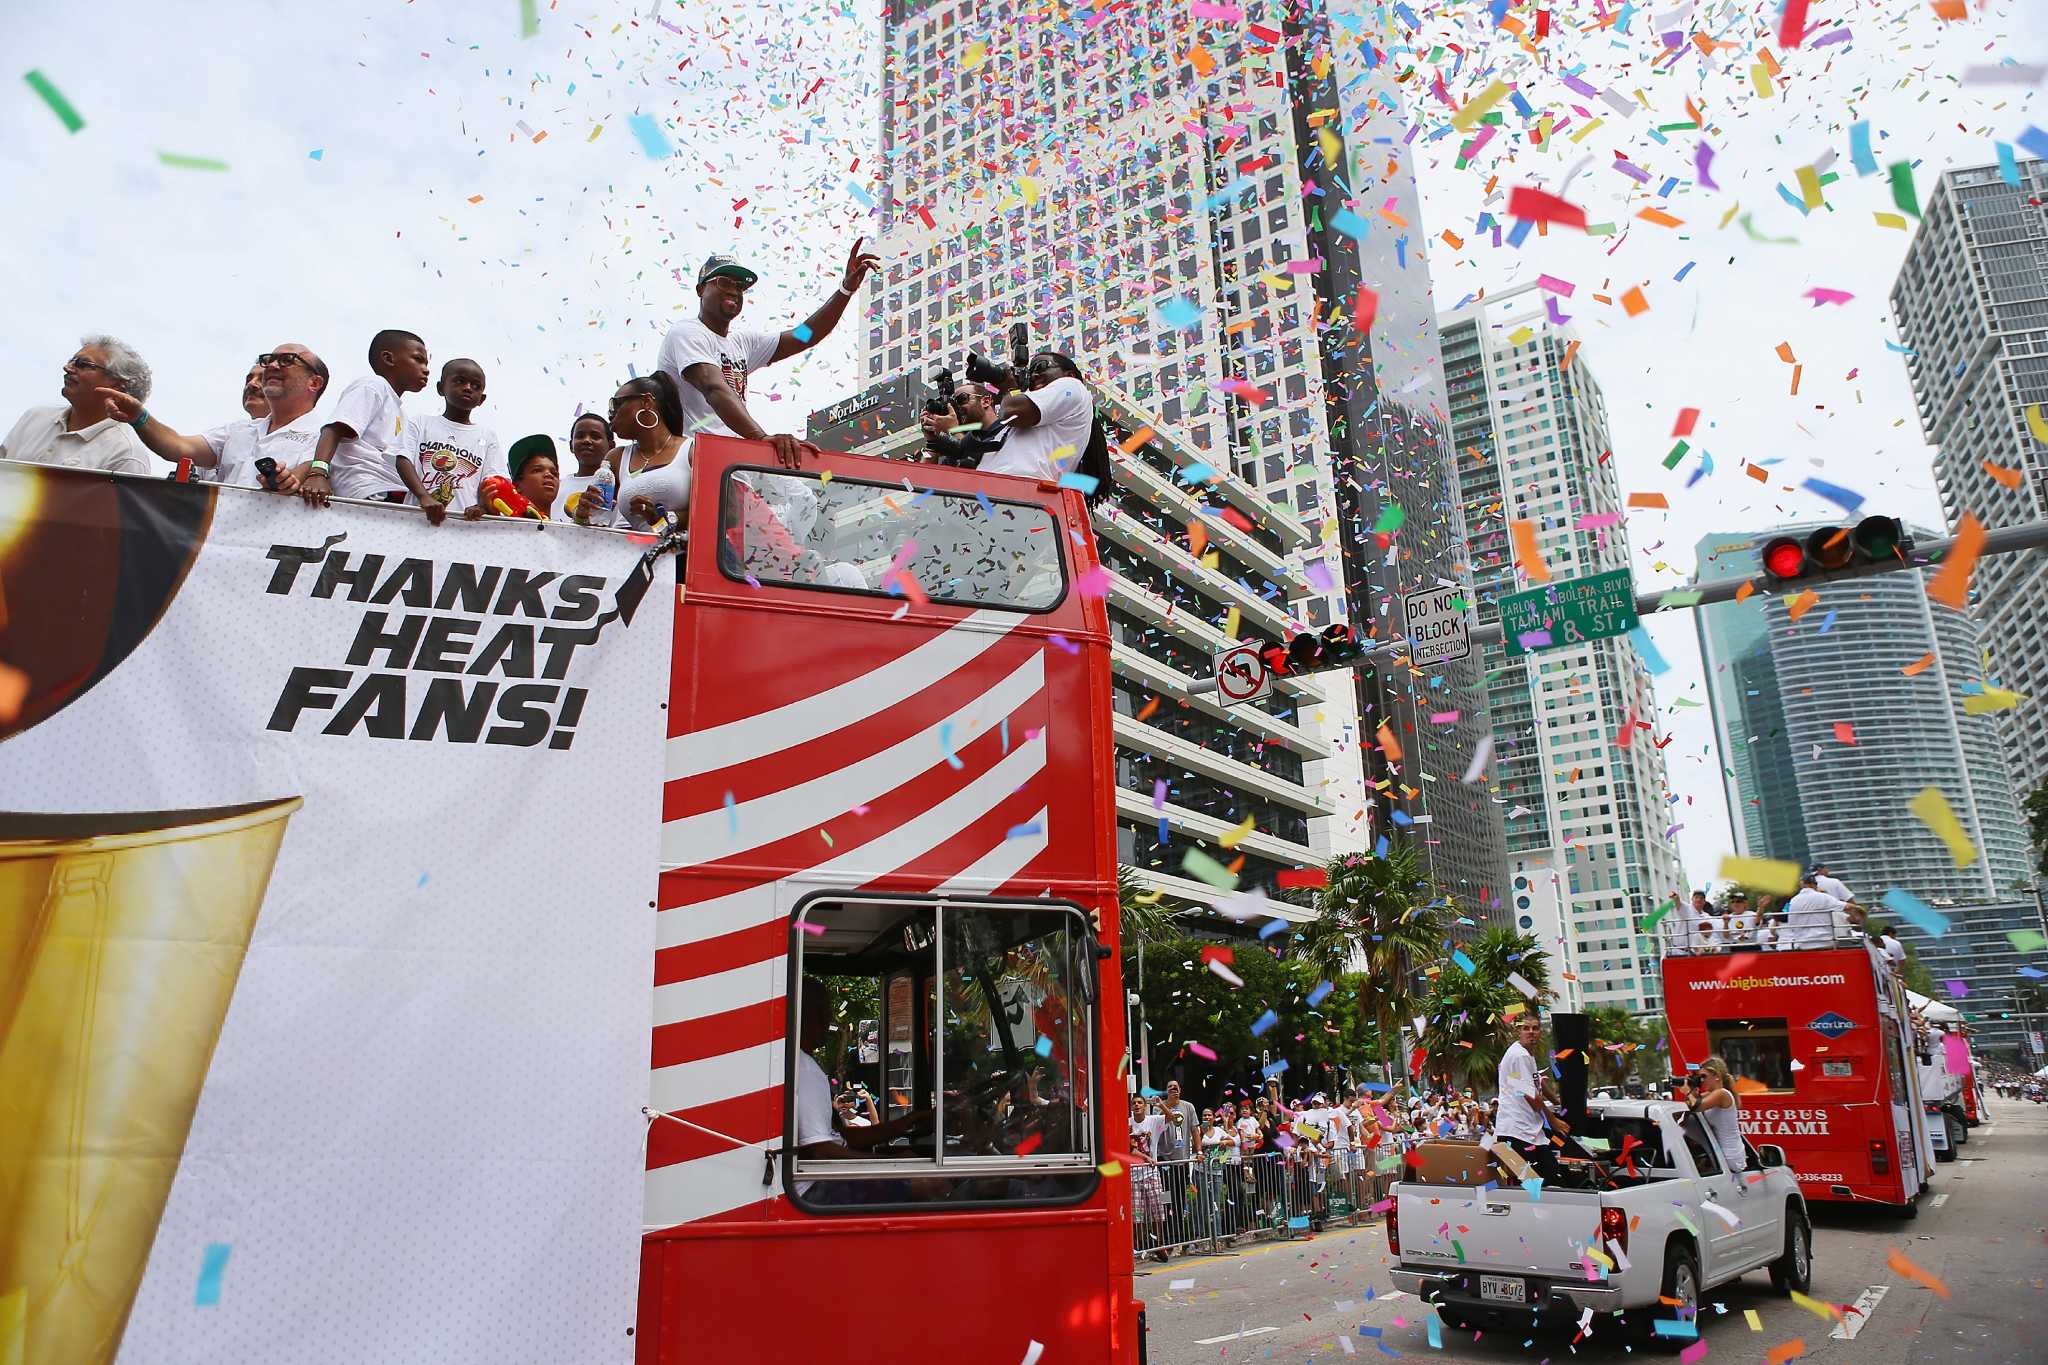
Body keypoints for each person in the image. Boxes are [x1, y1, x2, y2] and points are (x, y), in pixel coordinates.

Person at [655, 241, 878, 467]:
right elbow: (714, 388)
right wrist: (761, 438)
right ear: (701, 289)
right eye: (724, 282)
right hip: (695, 461)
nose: (734, 290)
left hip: (733, 460)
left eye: (740, 286)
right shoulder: (687, 332)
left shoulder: (743, 342)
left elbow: (804, 334)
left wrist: (845, 290)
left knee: (803, 497)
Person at [100, 344, 329, 491]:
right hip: (217, 550)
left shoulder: (326, 437)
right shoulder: (237, 430)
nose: (272, 366)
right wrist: (140, 417)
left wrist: (290, 483)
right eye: (269, 359)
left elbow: (310, 477)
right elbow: (178, 447)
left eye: (287, 360)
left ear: (314, 383)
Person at [791, 977, 929, 1200]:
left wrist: (900, 1126)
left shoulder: (798, 1063)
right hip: (815, 1187)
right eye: (825, 1011)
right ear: (811, 1015)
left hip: (820, 1178)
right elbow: (821, 1151)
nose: (829, 1020)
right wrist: (890, 1165)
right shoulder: (805, 1069)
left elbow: (842, 1138)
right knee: (930, 1184)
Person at [298, 330, 431, 508]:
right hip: (369, 491)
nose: (426, 369)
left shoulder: (402, 413)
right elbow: (334, 429)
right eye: (418, 359)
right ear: (389, 359)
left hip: (389, 490)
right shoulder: (373, 386)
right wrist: (318, 473)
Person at [1, 335, 153, 474]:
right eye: (71, 361)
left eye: (83, 364)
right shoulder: (35, 417)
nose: (67, 368)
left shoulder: (127, 455)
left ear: (117, 386)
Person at [400, 357, 504, 521]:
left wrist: (483, 507)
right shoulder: (420, 422)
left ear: (482, 399)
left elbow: (494, 481)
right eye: (460, 381)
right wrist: (424, 497)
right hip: (416, 521)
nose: (468, 388)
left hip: (463, 528)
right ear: (440, 388)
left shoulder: (487, 436)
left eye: (476, 386)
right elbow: (403, 459)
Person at [987, 351, 1109, 487]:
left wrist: (1010, 387)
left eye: (1041, 366)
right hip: (994, 494)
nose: (1034, 375)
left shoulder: (1072, 387)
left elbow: (1012, 412)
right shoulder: (1026, 410)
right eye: (1030, 372)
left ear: (1070, 375)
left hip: (1022, 490)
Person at [605, 372, 693, 531]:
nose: (610, 413)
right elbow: (591, 513)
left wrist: (665, 519)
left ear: (646, 402)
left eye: (616, 404)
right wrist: (582, 509)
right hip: (638, 554)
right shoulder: (616, 458)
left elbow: (728, 513)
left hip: (686, 554)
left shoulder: (693, 451)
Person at [1493, 1013, 1565, 1181]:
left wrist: (1558, 1102)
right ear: (1517, 1032)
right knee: (1548, 1182)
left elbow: (1537, 1082)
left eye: (1535, 1028)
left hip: (1518, 1132)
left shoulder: (1524, 1054)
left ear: (1540, 1032)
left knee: (1533, 1187)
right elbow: (1531, 1095)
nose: (1531, 1032)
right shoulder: (1520, 1056)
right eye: (1526, 1028)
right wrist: (1553, 1120)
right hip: (1520, 1133)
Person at [919, 381, 1006, 467]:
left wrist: (954, 430)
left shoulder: (1008, 430)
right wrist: (932, 442)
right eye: (953, 405)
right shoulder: (956, 446)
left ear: (986, 401)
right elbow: (924, 478)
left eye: (962, 399)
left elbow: (982, 463)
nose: (956, 408)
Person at [1685, 1056, 1749, 1171]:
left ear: (1717, 1076)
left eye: (1704, 1076)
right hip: (1719, 1155)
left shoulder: (1722, 1094)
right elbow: (1689, 1104)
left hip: (1730, 1156)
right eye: (1700, 1077)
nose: (1702, 1080)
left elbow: (1695, 1106)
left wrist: (1686, 1090)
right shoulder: (1711, 1094)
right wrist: (1692, 1087)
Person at [561, 410, 617, 525]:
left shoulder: (617, 486)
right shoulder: (557, 486)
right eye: (580, 436)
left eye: (595, 436)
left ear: (611, 446)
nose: (586, 440)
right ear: (571, 445)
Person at [1781, 872, 1852, 949]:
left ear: (1801, 885)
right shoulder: (1823, 897)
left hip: (1801, 943)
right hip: (1824, 941)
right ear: (1814, 885)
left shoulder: (1793, 900)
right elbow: (1846, 906)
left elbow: (1784, 914)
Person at [505, 435, 561, 519]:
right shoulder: (501, 526)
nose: (549, 474)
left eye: (554, 473)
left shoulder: (567, 528)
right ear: (517, 486)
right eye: (537, 470)